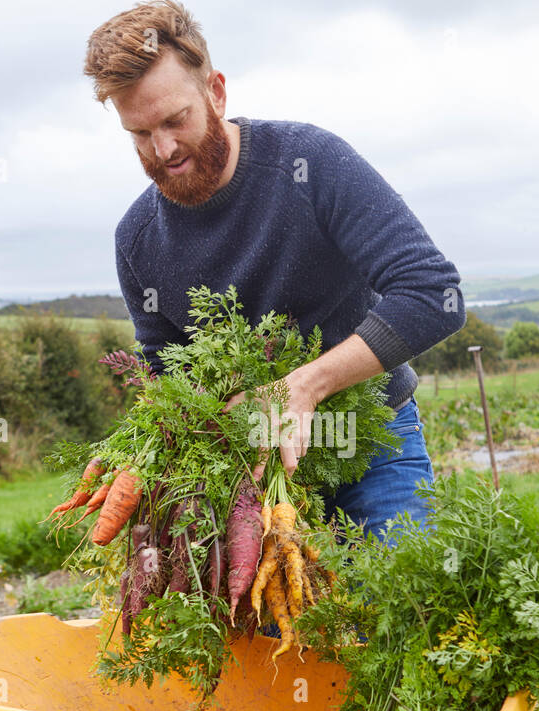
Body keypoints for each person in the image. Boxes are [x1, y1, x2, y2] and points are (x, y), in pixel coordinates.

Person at [84, 0, 463, 543]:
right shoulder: (138, 240)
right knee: (271, 629)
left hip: (370, 440)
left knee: (401, 614)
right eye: (139, 134)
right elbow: (165, 369)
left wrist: (302, 387)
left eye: (174, 120)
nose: (161, 150)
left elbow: (435, 295)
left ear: (215, 91)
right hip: (251, 474)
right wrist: (152, 449)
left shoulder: (309, 164)